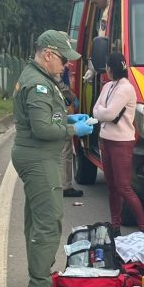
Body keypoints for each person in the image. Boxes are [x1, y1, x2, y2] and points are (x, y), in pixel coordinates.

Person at [12, 30, 94, 287]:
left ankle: (38, 278)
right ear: (48, 55)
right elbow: (43, 128)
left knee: (36, 220)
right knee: (48, 220)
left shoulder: (39, 78)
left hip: (36, 156)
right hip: (38, 158)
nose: (66, 65)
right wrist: (74, 129)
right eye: (63, 59)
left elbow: (46, 116)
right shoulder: (39, 85)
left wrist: (68, 117)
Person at [92, 52, 144, 236]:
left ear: (111, 67)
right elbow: (96, 109)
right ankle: (115, 225)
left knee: (123, 186)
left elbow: (106, 114)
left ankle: (143, 226)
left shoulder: (125, 88)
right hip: (106, 140)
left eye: (108, 66)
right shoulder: (108, 86)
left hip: (121, 143)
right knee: (111, 185)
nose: (106, 69)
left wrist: (102, 112)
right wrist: (102, 112)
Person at [60, 64, 84, 198]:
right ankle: (65, 186)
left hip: (62, 110)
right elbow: (62, 86)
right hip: (61, 110)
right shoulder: (55, 70)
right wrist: (73, 98)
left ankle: (64, 184)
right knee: (65, 149)